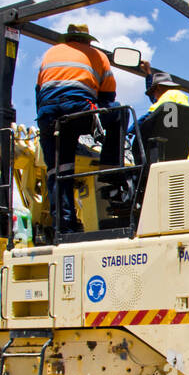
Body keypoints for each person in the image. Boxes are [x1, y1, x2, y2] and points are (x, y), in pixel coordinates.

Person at [35, 23, 116, 233]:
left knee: (58, 170)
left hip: (49, 115)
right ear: (88, 40)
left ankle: (64, 226)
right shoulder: (98, 55)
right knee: (119, 114)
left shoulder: (49, 54)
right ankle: (110, 171)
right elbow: (108, 96)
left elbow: (39, 92)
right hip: (79, 110)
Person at [135, 62, 189, 160]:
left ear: (159, 88)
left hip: (167, 160)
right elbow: (155, 101)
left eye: (154, 91)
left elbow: (146, 119)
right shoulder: (178, 99)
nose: (154, 96)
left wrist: (126, 132)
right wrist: (148, 73)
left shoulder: (168, 97)